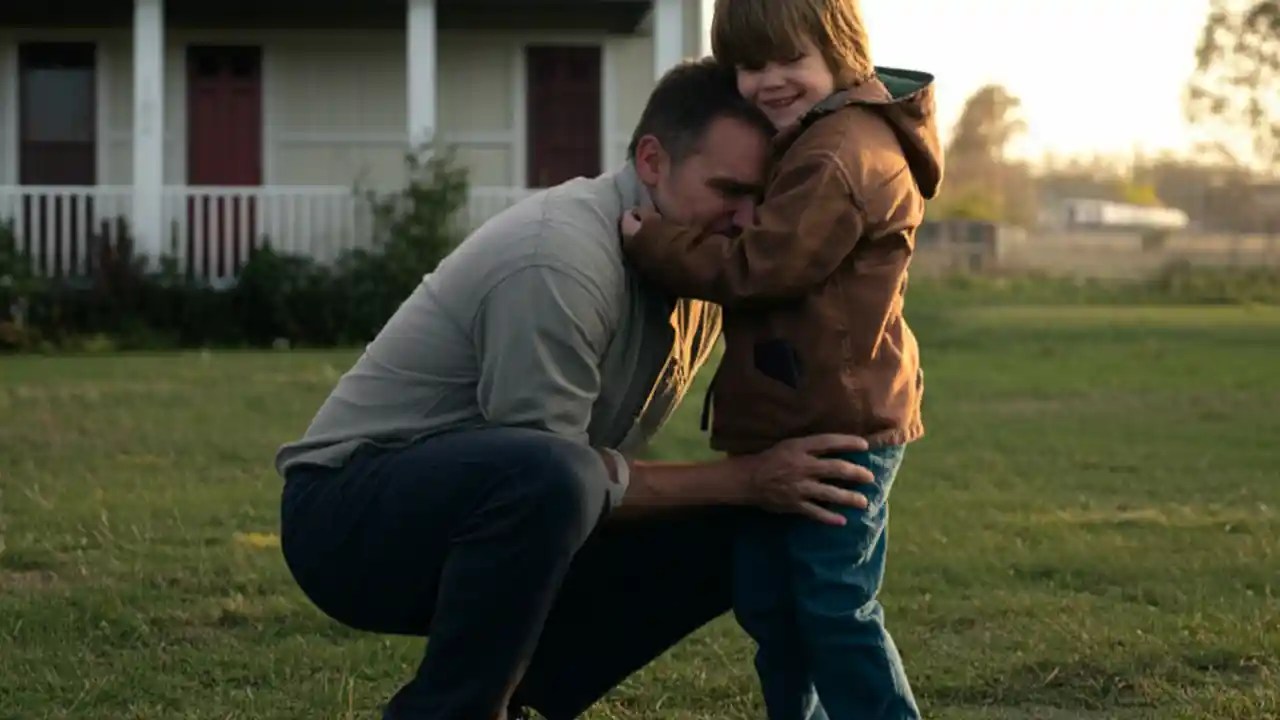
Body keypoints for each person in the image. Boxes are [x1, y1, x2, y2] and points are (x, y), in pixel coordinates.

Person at [274, 58, 880, 720]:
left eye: (764, 198)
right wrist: (747, 478)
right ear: (652, 161)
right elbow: (560, 474)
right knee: (558, 474)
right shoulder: (559, 259)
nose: (746, 218)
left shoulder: (698, 264)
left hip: (500, 507)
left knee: (735, 525)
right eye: (728, 190)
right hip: (345, 521)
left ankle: (530, 701)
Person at [619, 1, 945, 719]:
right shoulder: (812, 137)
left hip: (839, 424)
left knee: (832, 604)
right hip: (794, 413)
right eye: (749, 65)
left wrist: (655, 245)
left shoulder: (837, 153)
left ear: (840, 51)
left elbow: (763, 267)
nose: (767, 80)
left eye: (787, 59)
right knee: (771, 599)